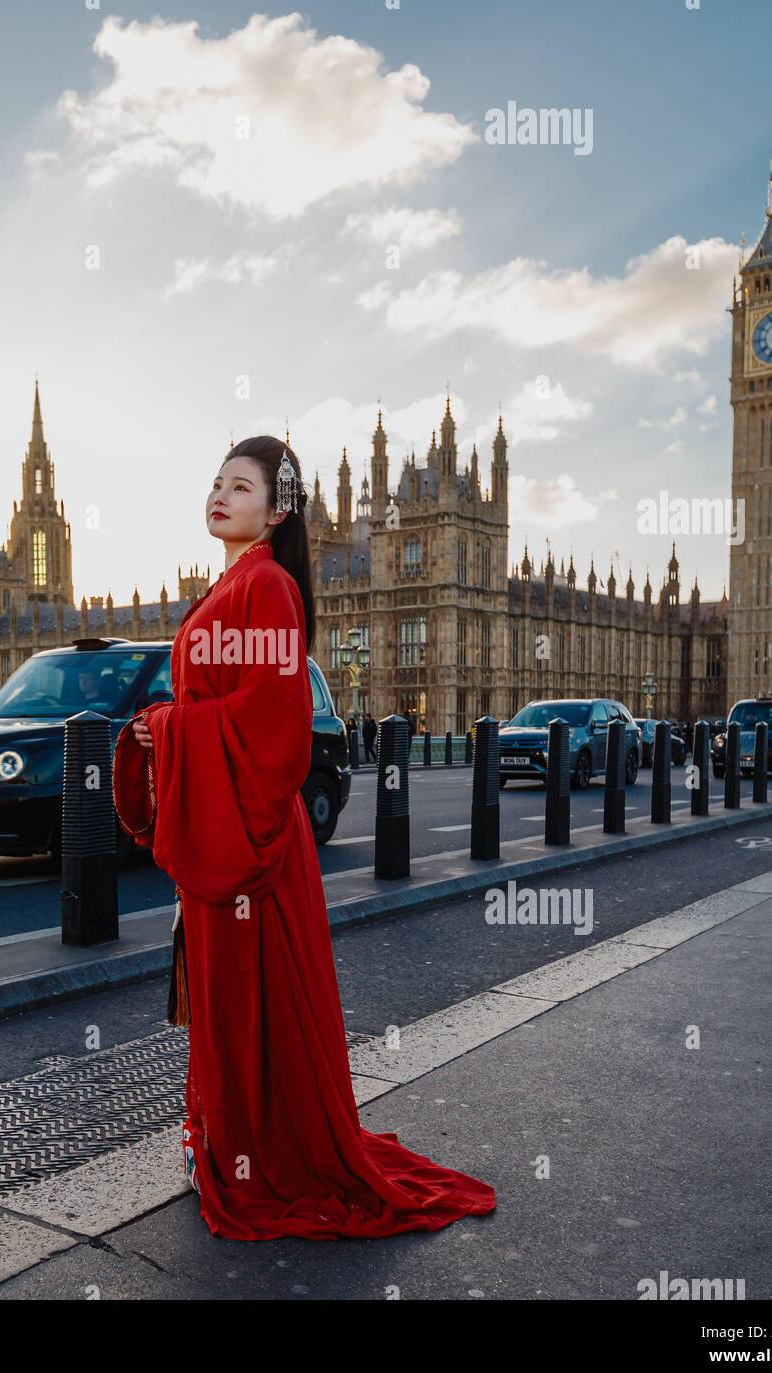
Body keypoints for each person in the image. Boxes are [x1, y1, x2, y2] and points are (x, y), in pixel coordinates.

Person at [121, 435, 495, 1241]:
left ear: (278, 509)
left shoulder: (269, 588)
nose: (220, 495)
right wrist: (173, 732)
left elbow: (273, 725)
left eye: (241, 486)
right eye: (216, 482)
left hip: (250, 845)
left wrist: (169, 726)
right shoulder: (236, 584)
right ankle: (230, 1145)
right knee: (230, 1006)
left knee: (250, 1006)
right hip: (227, 832)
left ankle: (257, 1153)